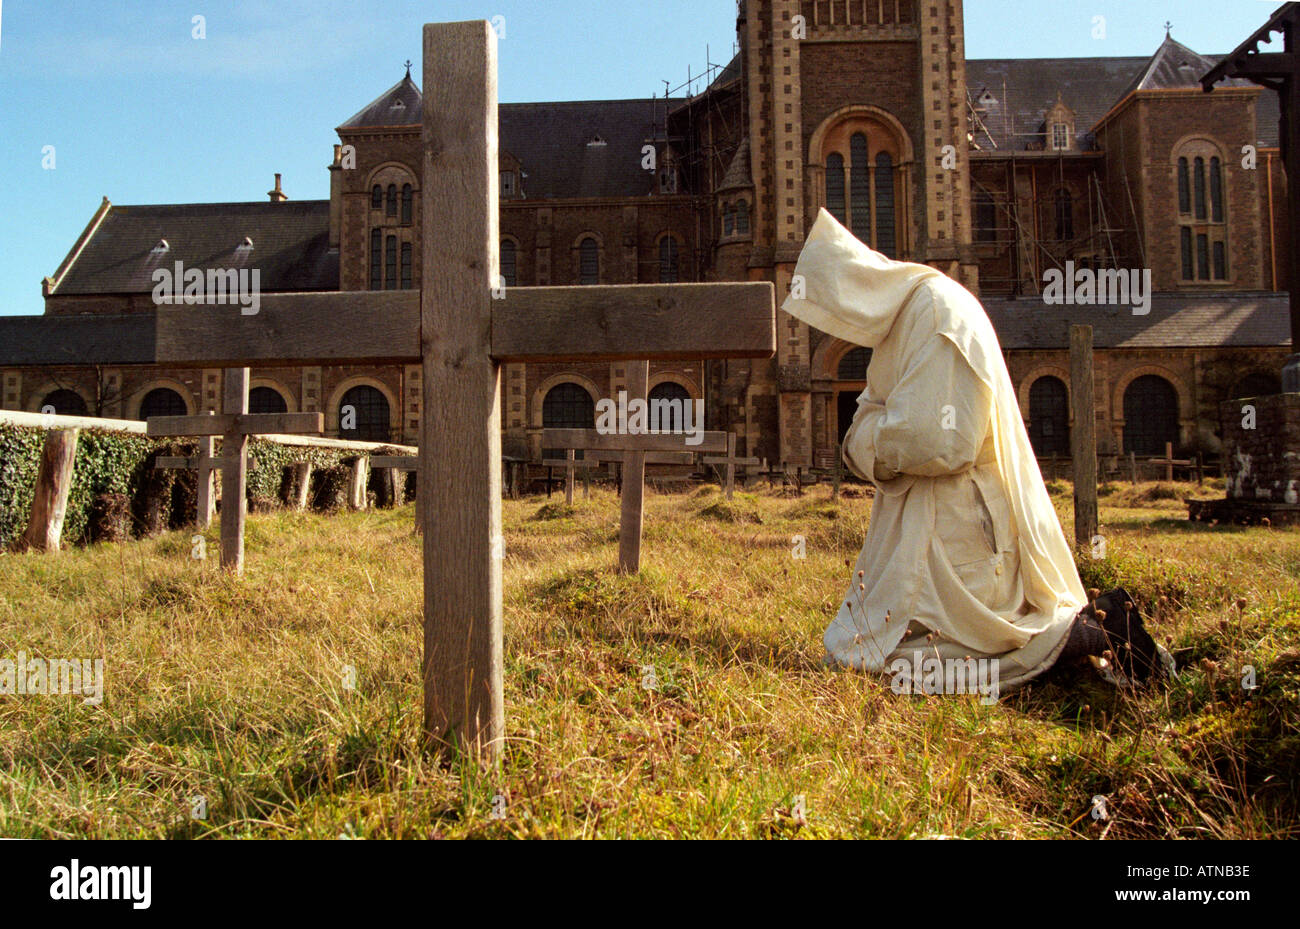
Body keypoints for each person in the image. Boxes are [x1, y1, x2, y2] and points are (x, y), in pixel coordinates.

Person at [782, 208, 1167, 692]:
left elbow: (937, 441)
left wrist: (873, 436)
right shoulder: (905, 320)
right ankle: (1081, 640)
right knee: (868, 652)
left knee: (901, 661)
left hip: (956, 524)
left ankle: (1095, 631)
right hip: (919, 519)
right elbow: (861, 430)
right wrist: (875, 432)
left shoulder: (936, 311)